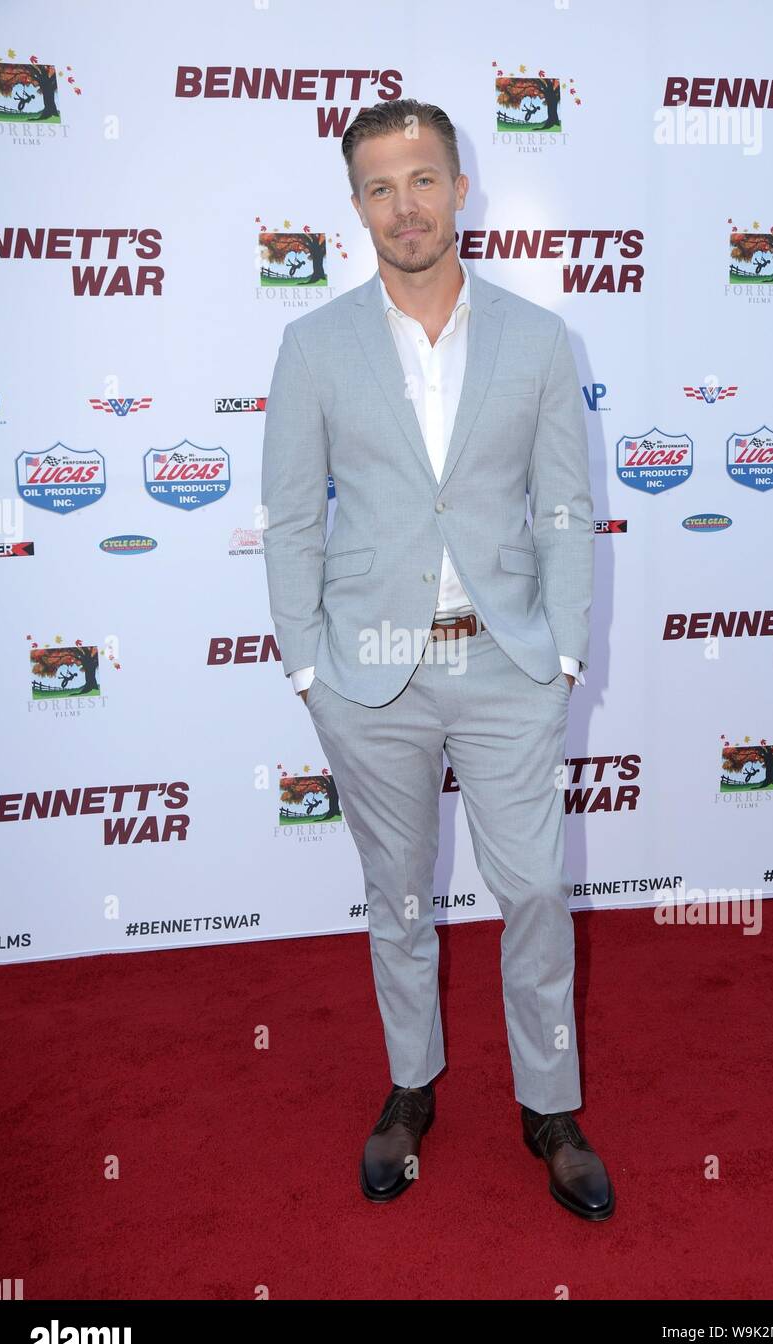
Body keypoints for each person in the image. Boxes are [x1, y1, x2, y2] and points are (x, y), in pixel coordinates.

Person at [261, 98, 614, 1221]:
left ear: (459, 188)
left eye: (422, 180)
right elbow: (288, 521)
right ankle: (410, 1089)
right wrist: (307, 669)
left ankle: (548, 1106)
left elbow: (565, 508)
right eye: (378, 186)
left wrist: (563, 653)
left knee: (535, 890)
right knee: (397, 896)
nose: (402, 205)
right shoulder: (311, 345)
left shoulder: (538, 338)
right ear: (355, 206)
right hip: (367, 676)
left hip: (509, 661)